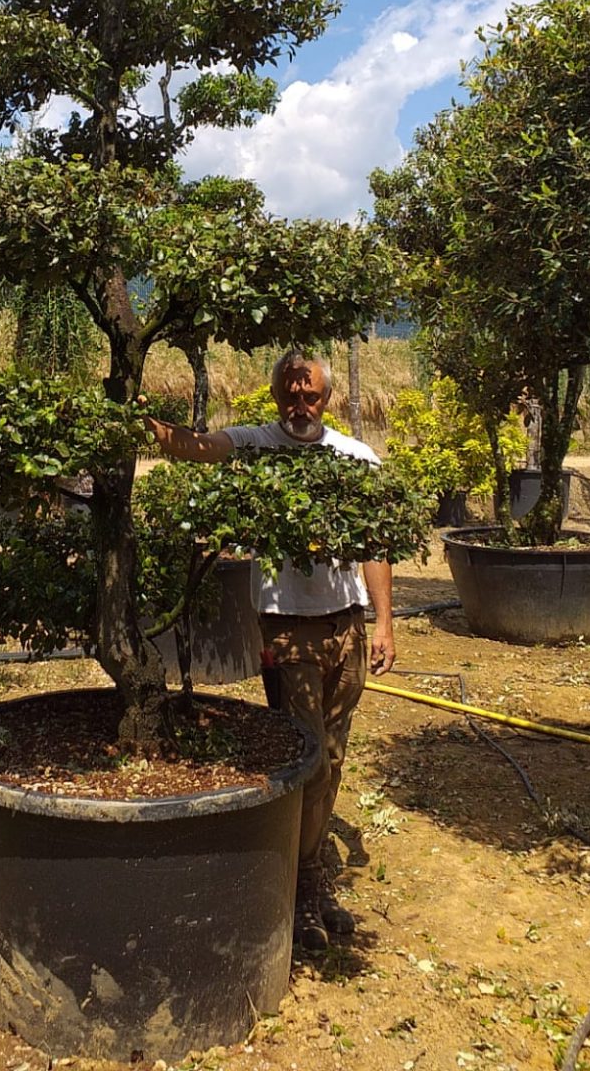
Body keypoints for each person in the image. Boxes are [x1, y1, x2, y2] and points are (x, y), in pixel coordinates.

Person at [145, 350, 395, 953]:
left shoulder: (354, 458)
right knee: (304, 757)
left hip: (348, 628)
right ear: (277, 394)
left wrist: (384, 621)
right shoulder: (257, 445)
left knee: (332, 757)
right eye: (291, 394)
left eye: (310, 395)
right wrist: (141, 422)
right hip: (289, 630)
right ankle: (299, 883)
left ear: (327, 399)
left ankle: (305, 873)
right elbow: (195, 446)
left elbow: (376, 544)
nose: (300, 404)